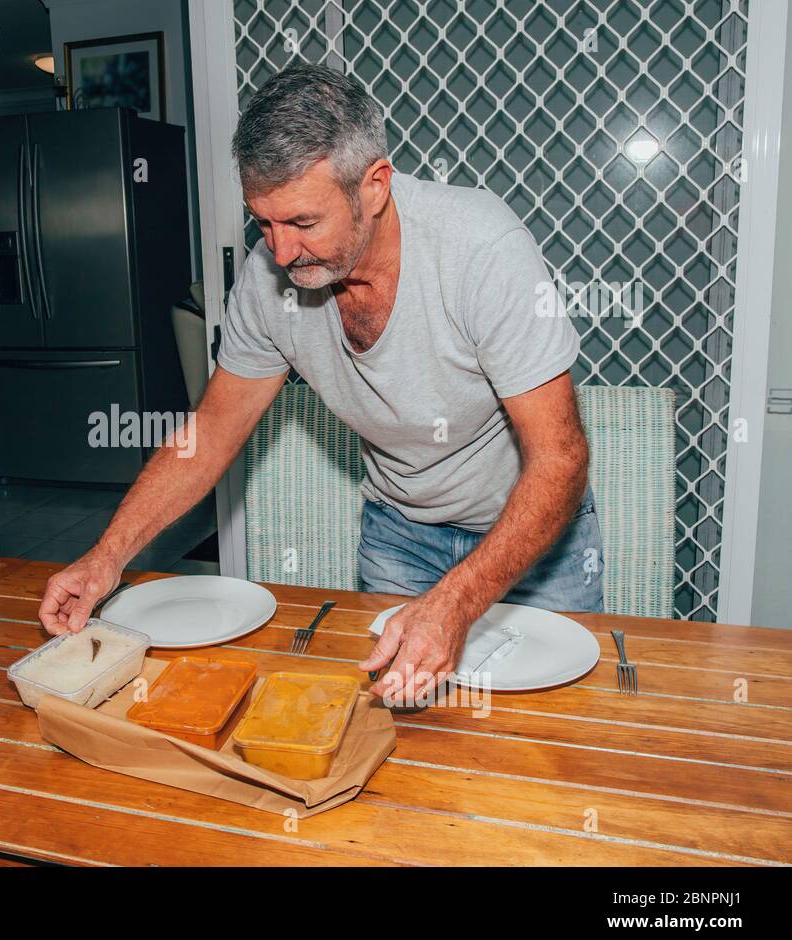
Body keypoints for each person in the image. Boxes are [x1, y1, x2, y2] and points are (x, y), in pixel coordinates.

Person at [37, 63, 602, 705]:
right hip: (401, 533)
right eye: (263, 223)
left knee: (552, 744)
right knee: (400, 738)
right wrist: (107, 555)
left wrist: (457, 600)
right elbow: (213, 433)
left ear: (375, 186)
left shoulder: (482, 250)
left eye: (303, 223)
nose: (280, 253)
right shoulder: (269, 276)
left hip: (529, 540)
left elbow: (561, 457)